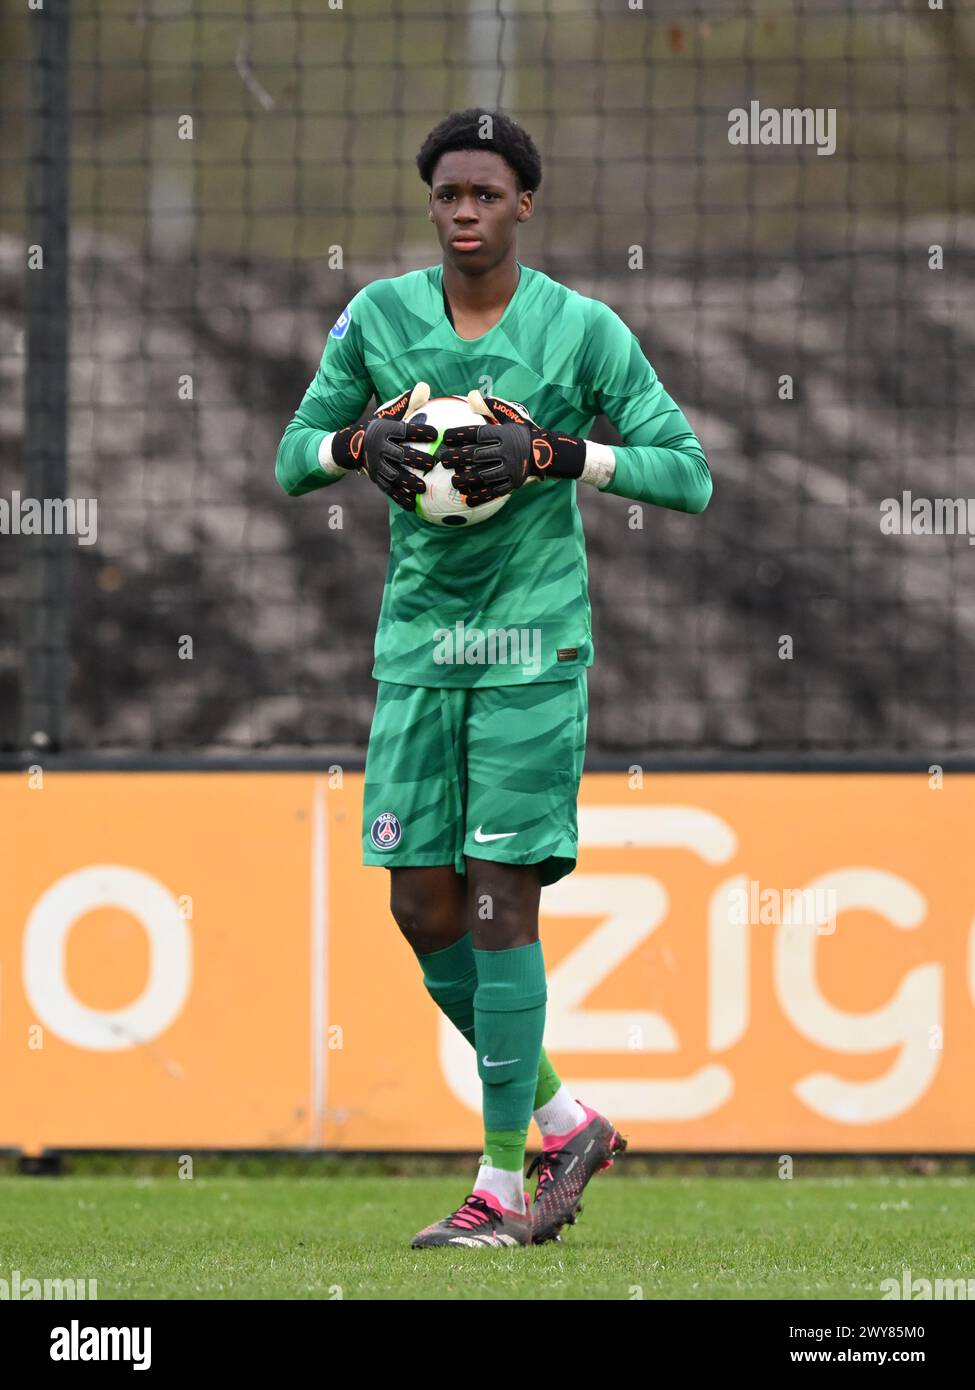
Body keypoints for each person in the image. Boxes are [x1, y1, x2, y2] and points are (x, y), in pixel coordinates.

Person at [275, 107, 712, 1248]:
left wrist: (557, 453)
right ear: (432, 204)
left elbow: (688, 474)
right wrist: (352, 445)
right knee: (420, 902)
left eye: (485, 194)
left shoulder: (582, 330)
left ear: (524, 203)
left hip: (530, 646)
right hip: (420, 648)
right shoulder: (377, 317)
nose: (463, 212)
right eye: (446, 194)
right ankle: (565, 1116)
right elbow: (288, 456)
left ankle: (504, 1179)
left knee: (493, 894)